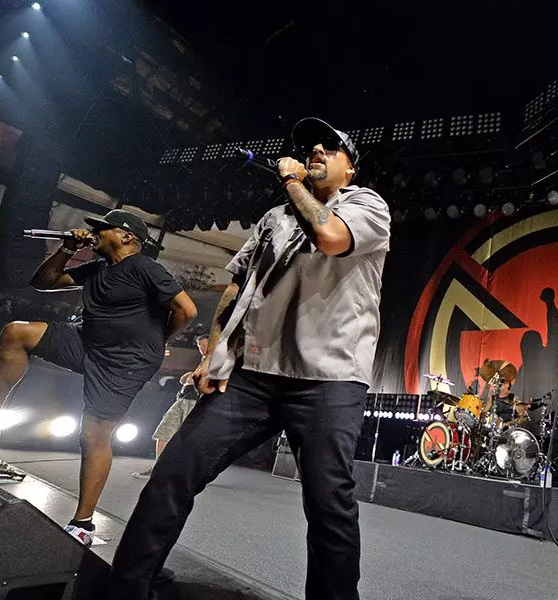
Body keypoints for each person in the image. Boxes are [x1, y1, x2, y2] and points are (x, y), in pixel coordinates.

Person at [106, 118, 390, 600]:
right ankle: (126, 587)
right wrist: (215, 354)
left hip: (330, 381)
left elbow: (329, 237)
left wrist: (292, 179)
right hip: (251, 378)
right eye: (309, 145)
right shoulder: (275, 218)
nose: (315, 149)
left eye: (331, 146)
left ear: (350, 170)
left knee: (329, 507)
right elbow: (238, 288)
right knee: (173, 473)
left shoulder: (366, 205)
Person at [0, 209, 197, 546]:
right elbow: (43, 283)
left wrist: (157, 341)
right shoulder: (100, 267)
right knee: (17, 334)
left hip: (122, 363)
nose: (96, 232)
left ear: (127, 237)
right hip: (85, 341)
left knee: (93, 437)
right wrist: (67, 249)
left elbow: (186, 310)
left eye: (104, 228)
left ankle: (83, 522)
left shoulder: (145, 268)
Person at [131, 334, 209, 479]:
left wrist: (195, 378)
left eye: (205, 345)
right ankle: (157, 468)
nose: (202, 349)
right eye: (200, 346)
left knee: (189, 438)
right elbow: (187, 379)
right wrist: (189, 376)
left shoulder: (215, 362)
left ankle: (189, 473)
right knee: (164, 431)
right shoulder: (202, 361)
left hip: (196, 403)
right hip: (183, 399)